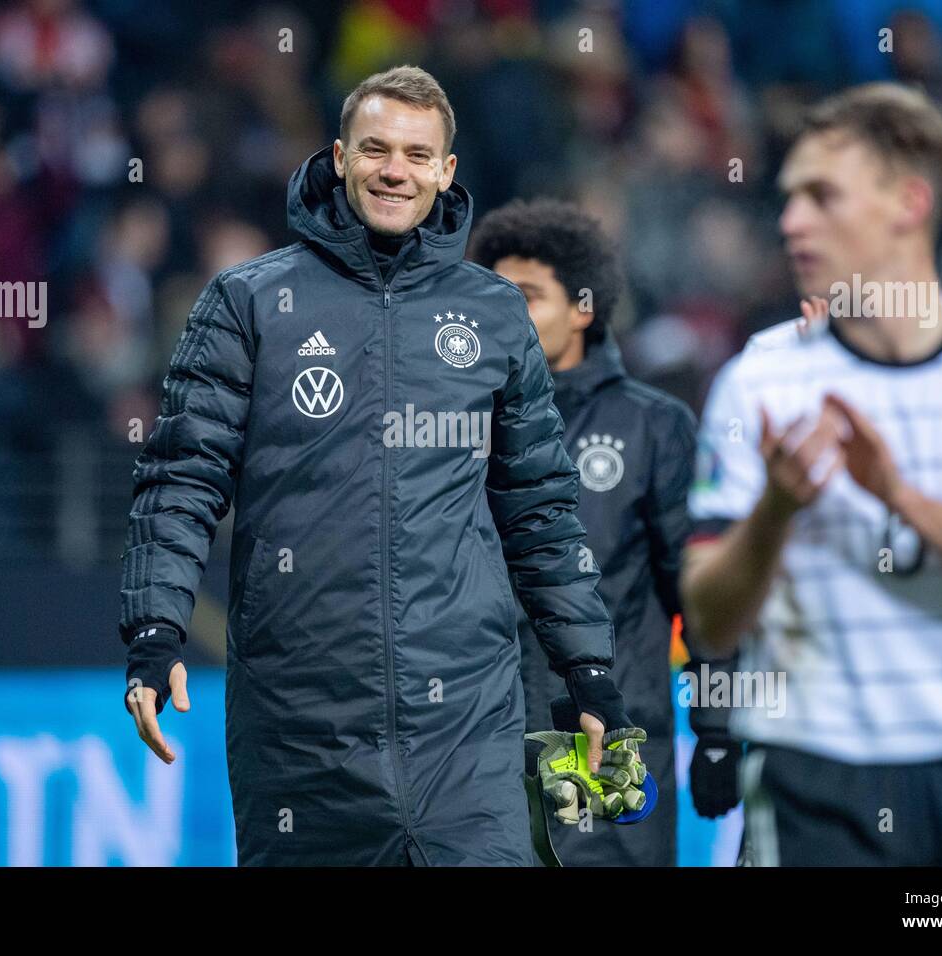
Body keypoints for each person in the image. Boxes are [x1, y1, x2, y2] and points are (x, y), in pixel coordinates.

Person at [118, 65, 636, 866]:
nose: (396, 169)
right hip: (301, 733)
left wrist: (589, 670)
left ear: (445, 171)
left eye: (417, 154)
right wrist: (155, 634)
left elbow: (539, 507)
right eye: (376, 148)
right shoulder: (249, 303)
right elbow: (180, 480)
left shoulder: (494, 313)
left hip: (467, 732)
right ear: (338, 157)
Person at [681, 83, 942, 866]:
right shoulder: (758, 379)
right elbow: (709, 619)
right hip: (807, 769)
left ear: (909, 202)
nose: (791, 219)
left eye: (821, 196)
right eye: (788, 196)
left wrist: (897, 496)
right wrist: (775, 510)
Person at [469, 198, 741, 866]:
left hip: (605, 744)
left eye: (527, 296)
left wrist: (716, 730)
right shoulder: (455, 428)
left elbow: (701, 598)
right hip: (476, 747)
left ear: (583, 309)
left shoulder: (655, 427)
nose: (506, 315)